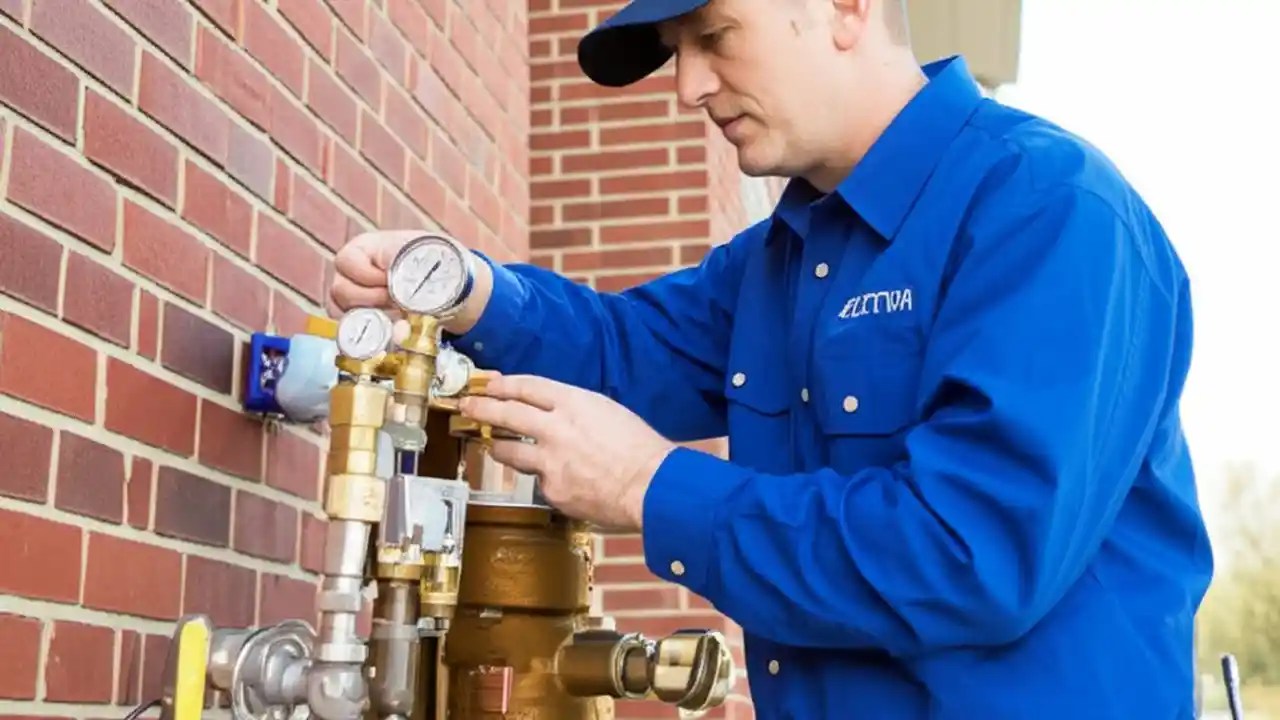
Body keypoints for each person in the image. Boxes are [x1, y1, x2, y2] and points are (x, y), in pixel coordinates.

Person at [330, 0, 1215, 717]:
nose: (689, 85)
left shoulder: (1047, 210)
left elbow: (971, 549)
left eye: (714, 37)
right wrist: (468, 289)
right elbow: (624, 348)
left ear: (844, 8)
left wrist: (649, 486)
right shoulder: (778, 261)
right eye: (678, 51)